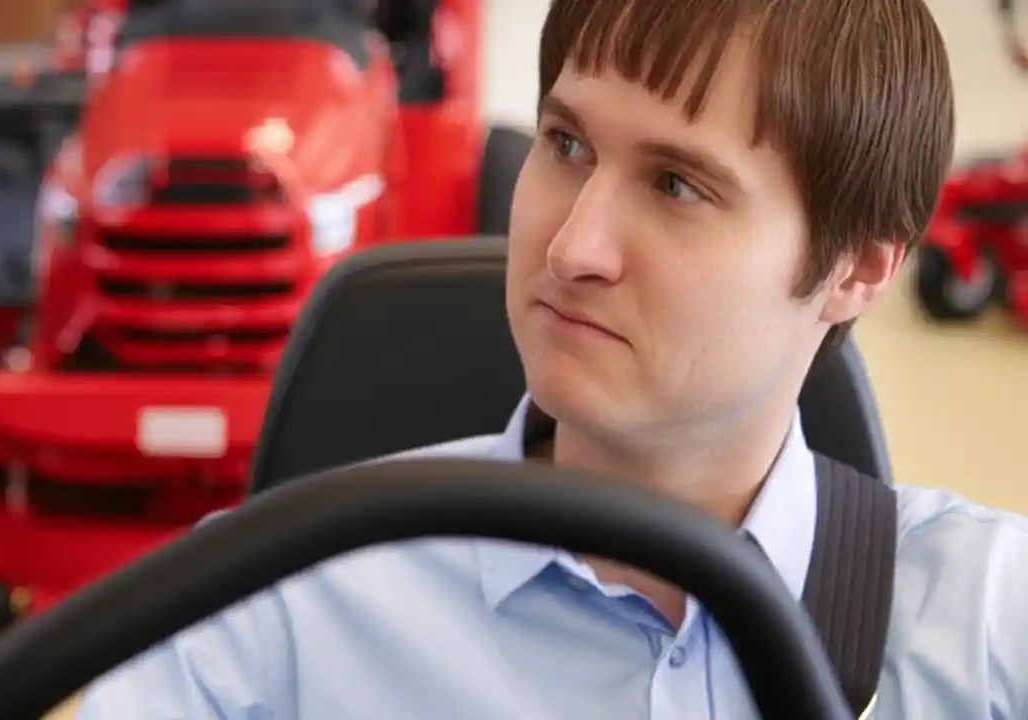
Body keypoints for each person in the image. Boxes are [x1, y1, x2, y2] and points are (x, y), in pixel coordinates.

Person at [77, 0, 1028, 717]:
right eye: (566, 143)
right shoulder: (264, 607)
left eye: (675, 185)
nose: (572, 248)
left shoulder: (986, 626)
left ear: (859, 266)